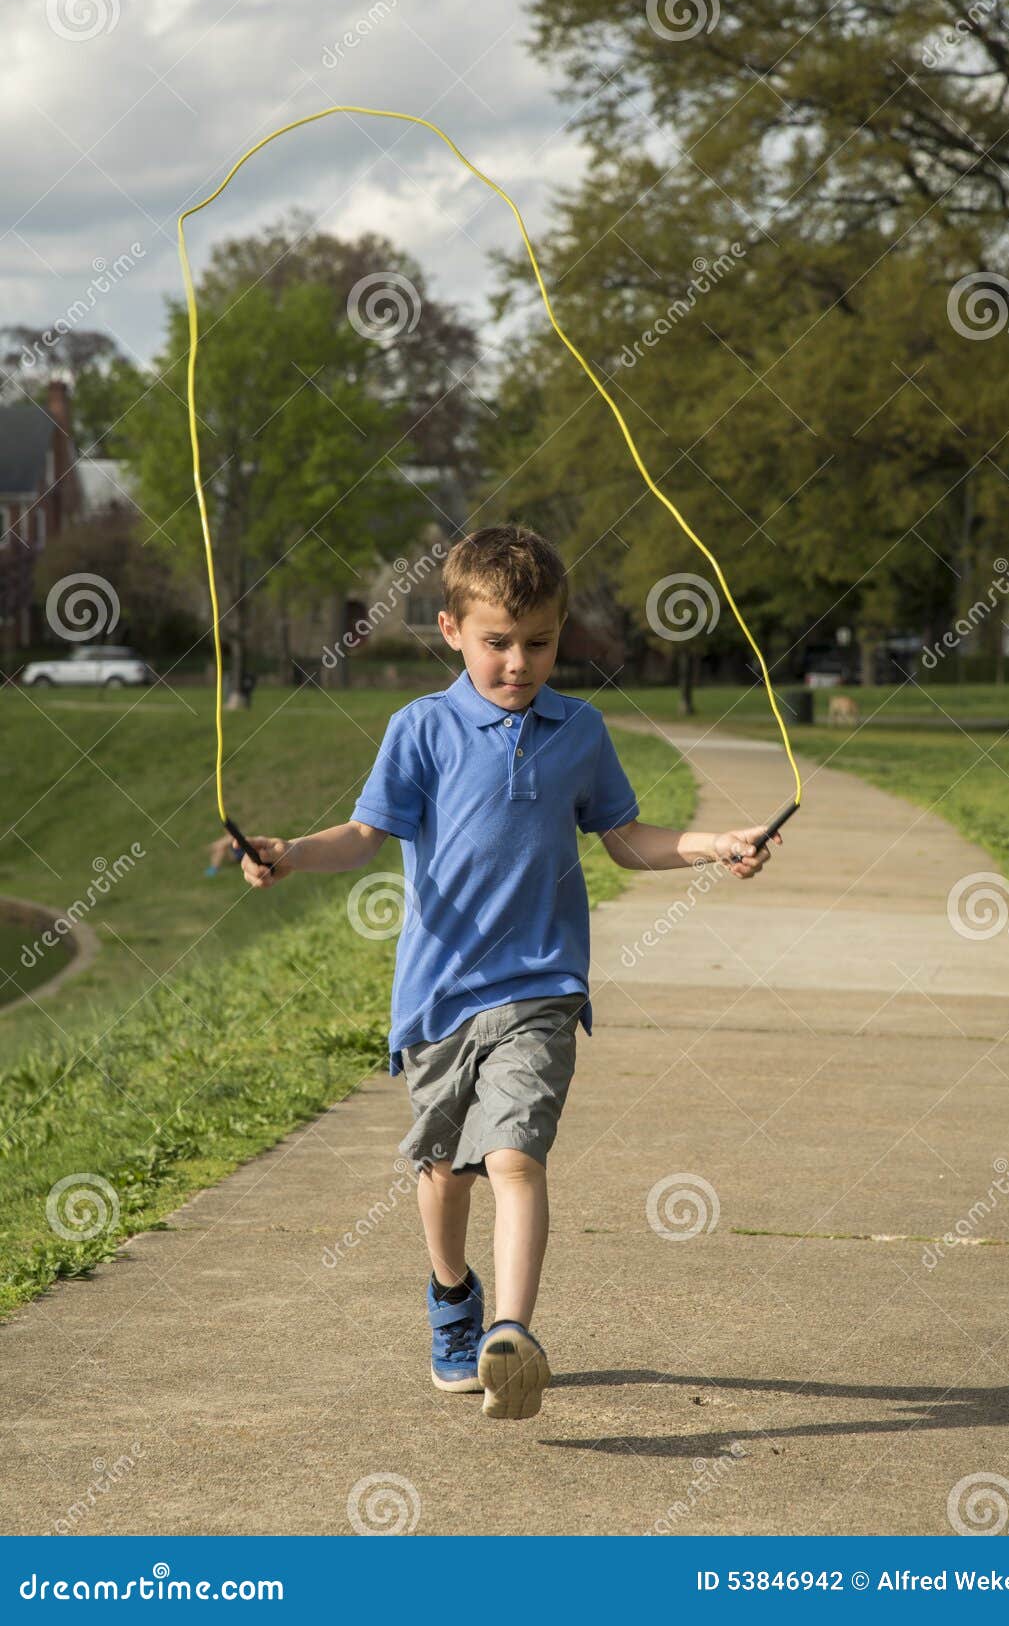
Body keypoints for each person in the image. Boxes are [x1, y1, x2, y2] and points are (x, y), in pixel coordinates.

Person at [233, 524, 780, 1421]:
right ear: (451, 629)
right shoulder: (421, 729)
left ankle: (512, 1338)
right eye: (498, 642)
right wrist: (289, 851)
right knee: (444, 1173)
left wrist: (713, 843)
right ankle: (454, 1295)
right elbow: (364, 836)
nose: (519, 663)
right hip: (438, 995)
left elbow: (624, 839)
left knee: (516, 1154)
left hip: (541, 988)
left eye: (540, 642)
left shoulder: (580, 731)